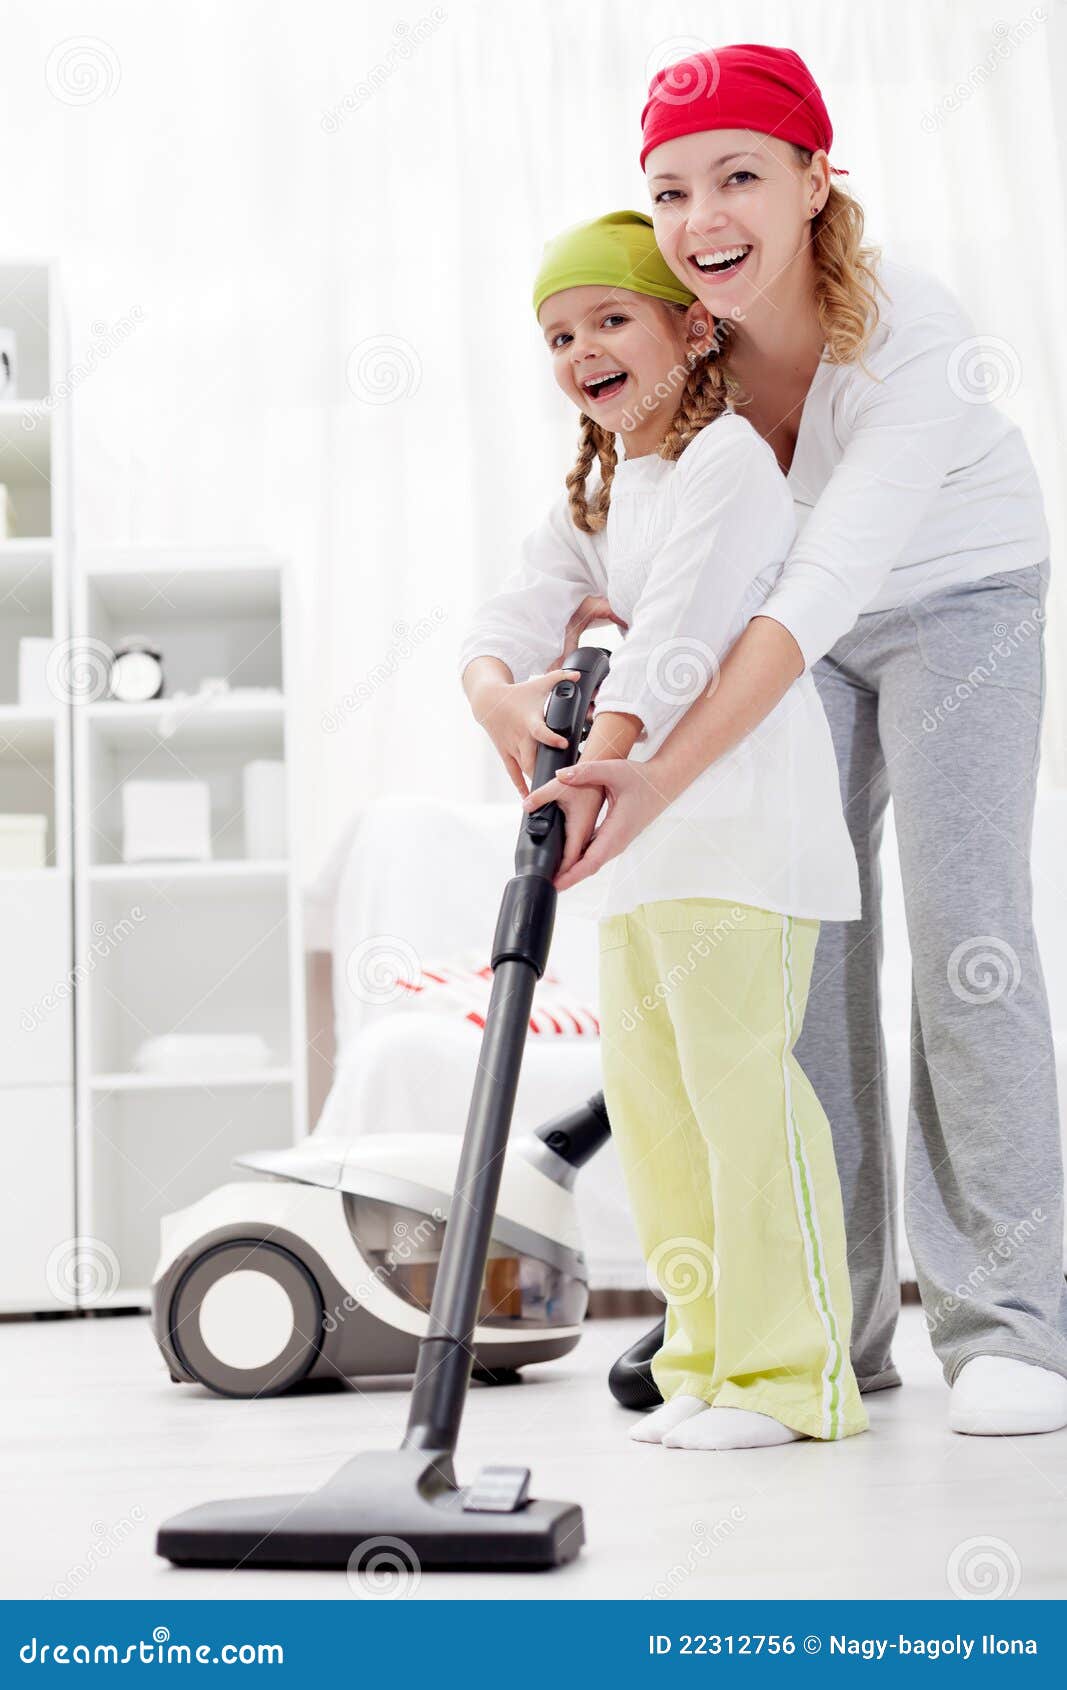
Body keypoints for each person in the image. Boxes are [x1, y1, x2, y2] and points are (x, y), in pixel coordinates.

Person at [525, 44, 1067, 1436]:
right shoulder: (683, 332)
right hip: (788, 622)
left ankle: (1009, 1321)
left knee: (965, 928)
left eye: (738, 177)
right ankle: (814, 1322)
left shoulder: (904, 326)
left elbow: (830, 577)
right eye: (669, 190)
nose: (700, 218)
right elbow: (646, 534)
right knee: (794, 943)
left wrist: (654, 772)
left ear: (814, 179)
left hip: (957, 593)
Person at [460, 209, 867, 1449]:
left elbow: (679, 636)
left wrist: (607, 753)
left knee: (742, 1101)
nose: (580, 348)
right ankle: (700, 1357)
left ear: (692, 331)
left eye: (608, 318)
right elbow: (510, 614)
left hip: (737, 837)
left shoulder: (726, 464)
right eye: (557, 334)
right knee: (656, 1110)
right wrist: (492, 693)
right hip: (638, 857)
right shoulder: (597, 495)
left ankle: (789, 1378)